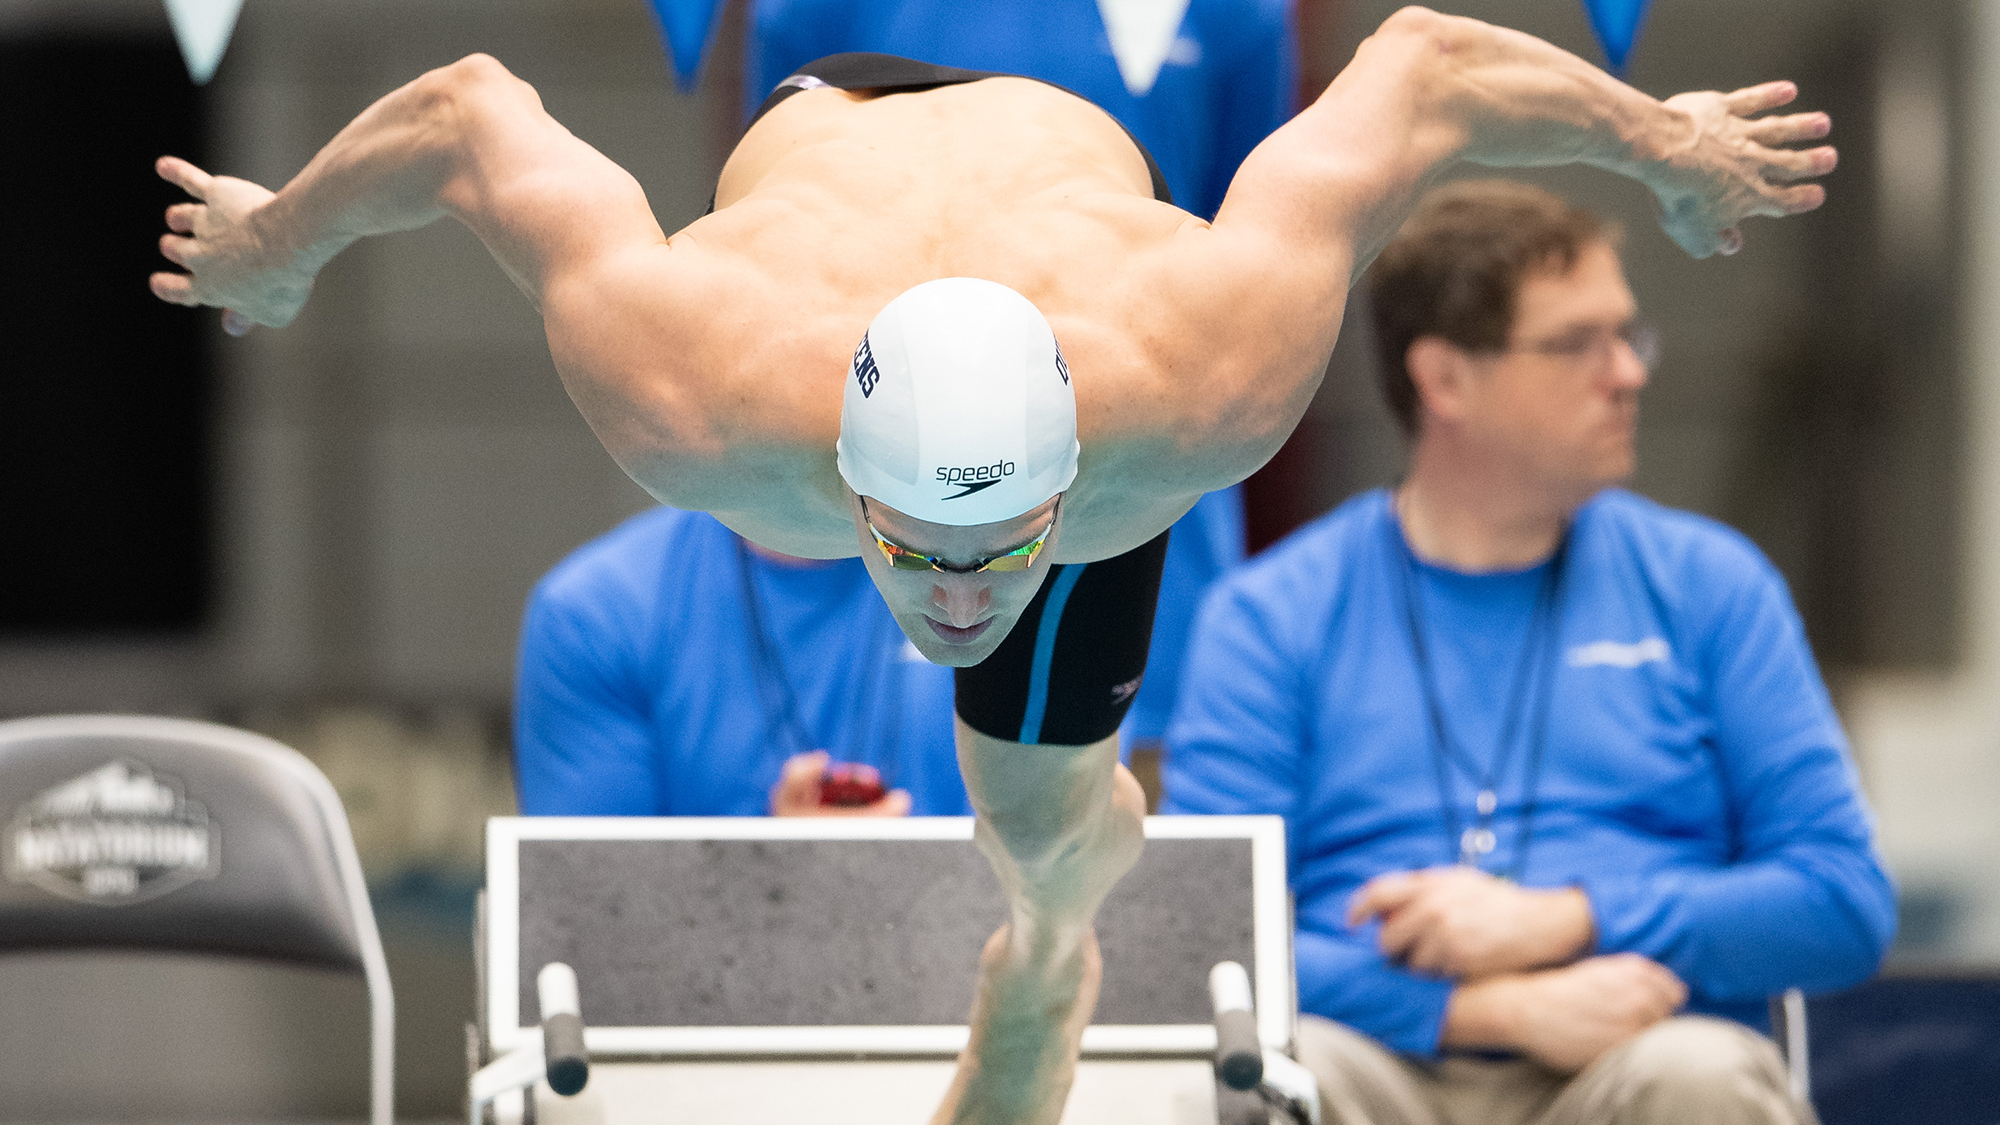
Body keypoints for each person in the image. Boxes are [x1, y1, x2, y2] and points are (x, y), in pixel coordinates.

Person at [147, 11, 1837, 1120]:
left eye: (999, 554)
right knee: (1022, 777)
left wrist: (1665, 146)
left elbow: (1420, 79)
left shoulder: (1198, 378)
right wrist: (278, 241)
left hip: (1078, 180)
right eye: (920, 554)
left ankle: (1044, 937)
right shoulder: (693, 389)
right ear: (840, 490)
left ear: (1075, 479)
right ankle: (1041, 931)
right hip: (832, 123)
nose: (961, 604)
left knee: (1039, 817)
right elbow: (469, 116)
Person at [1161, 181, 1895, 1125]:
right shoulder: (1271, 616)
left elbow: (1841, 901)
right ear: (1444, 380)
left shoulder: (1708, 584)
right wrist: (1482, 1007)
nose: (1627, 373)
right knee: (1231, 1095)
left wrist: (1573, 917)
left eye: (1629, 336)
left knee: (1703, 1078)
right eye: (1577, 344)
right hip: (1375, 1062)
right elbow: (1208, 950)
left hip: (1635, 1055)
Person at [513, 1, 1287, 819]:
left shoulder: (1234, 15)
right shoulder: (811, 11)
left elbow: (1233, 257)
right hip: (901, 445)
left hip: (1131, 509)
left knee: (1101, 856)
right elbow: (774, 232)